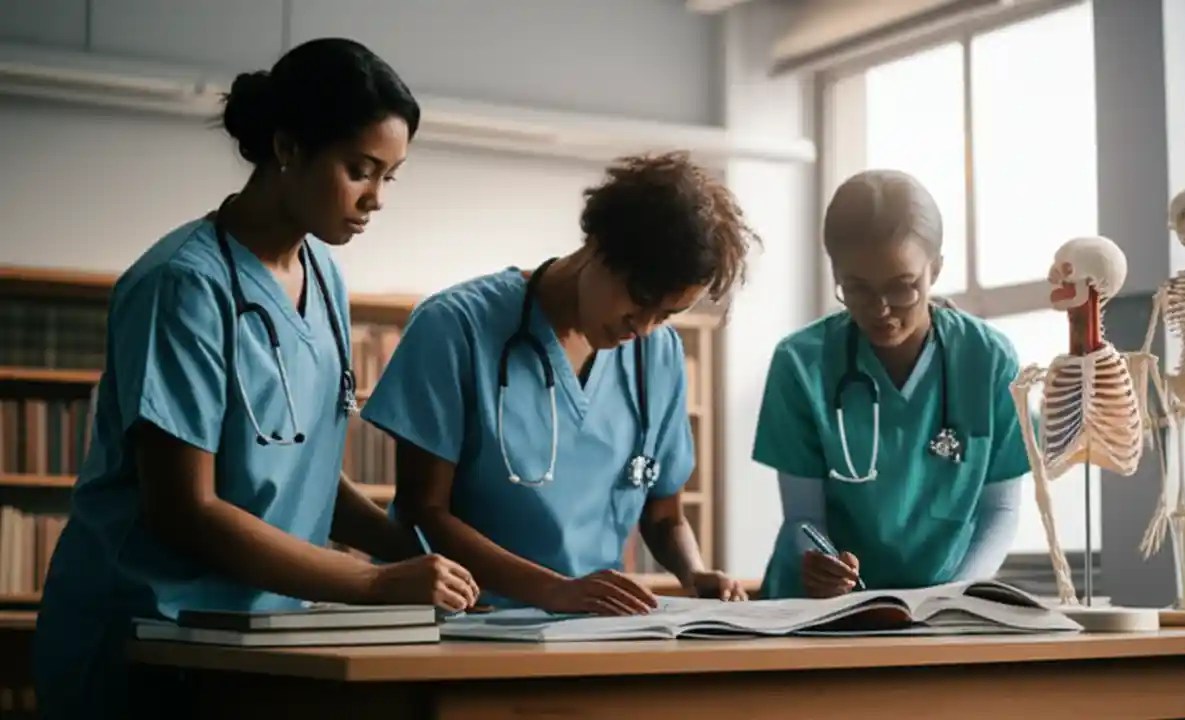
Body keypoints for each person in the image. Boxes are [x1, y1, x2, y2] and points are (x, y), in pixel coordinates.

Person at [33, 38, 478, 718]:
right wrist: (377, 579)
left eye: (391, 177)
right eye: (361, 169)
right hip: (145, 636)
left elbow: (302, 465)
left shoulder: (324, 277)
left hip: (258, 639)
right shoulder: (183, 284)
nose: (377, 199)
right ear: (289, 148)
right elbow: (186, 510)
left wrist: (413, 549)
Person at [360, 152, 758, 613]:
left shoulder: (659, 354)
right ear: (599, 245)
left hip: (591, 628)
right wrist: (551, 589)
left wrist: (694, 572)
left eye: (667, 314)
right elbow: (422, 512)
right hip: (461, 625)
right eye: (640, 300)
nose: (644, 328)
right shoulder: (454, 328)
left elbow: (664, 515)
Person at [753, 169, 1029, 599]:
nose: (881, 310)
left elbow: (1001, 508)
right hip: (814, 612)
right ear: (836, 273)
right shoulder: (801, 363)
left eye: (903, 288)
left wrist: (953, 597)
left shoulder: (988, 361)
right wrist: (821, 561)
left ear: (935, 269)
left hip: (941, 607)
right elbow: (804, 517)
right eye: (857, 289)